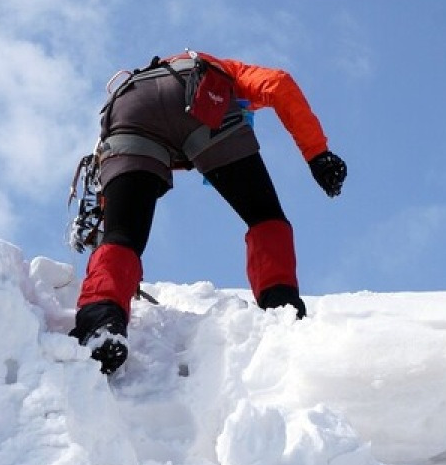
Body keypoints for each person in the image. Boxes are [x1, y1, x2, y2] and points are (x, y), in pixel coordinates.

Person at [68, 50, 347, 374]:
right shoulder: (229, 71)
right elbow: (278, 83)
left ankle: (100, 322)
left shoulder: (149, 75)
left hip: (129, 105)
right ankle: (281, 310)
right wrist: (318, 155)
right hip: (198, 92)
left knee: (122, 233)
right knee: (264, 216)